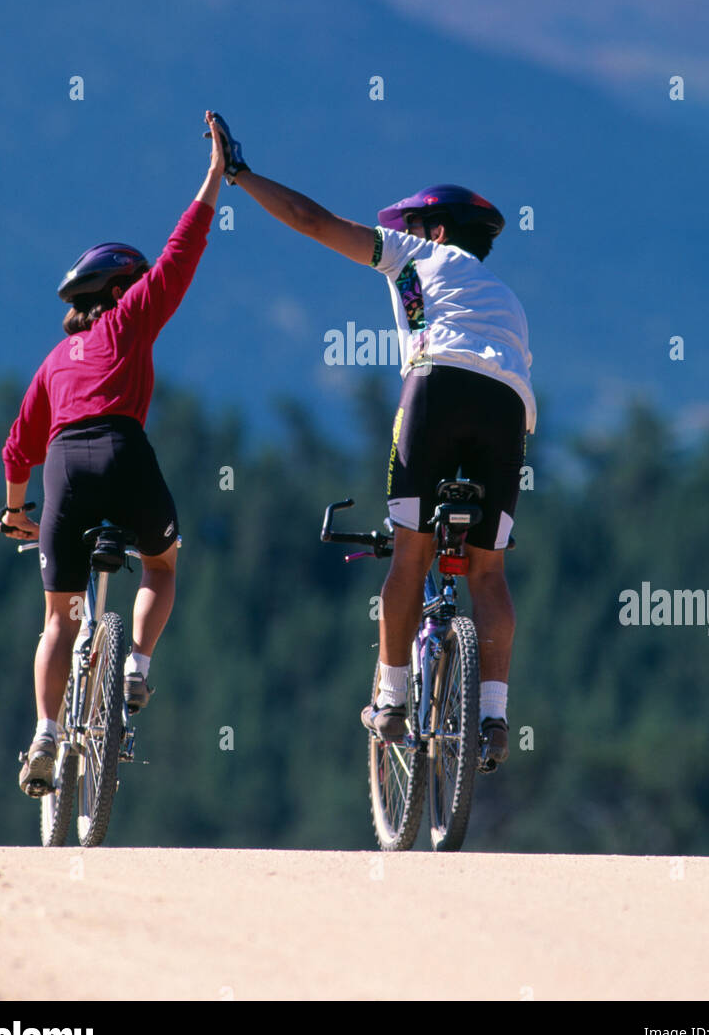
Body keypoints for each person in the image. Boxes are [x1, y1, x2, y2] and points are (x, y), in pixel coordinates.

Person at [212, 117, 536, 768]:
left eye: (412, 225)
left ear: (436, 232)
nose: (403, 234)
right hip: (507, 406)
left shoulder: (415, 256)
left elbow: (310, 219)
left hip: (436, 385)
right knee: (489, 570)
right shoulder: (505, 297)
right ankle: (495, 718)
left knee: (410, 557)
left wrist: (240, 175)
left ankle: (390, 700)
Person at [0, 111, 227, 797]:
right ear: (121, 291)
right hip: (126, 455)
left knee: (58, 619)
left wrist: (17, 514)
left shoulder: (52, 360)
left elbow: (18, 446)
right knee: (160, 564)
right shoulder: (130, 321)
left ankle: (44, 733)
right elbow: (181, 253)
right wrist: (216, 176)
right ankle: (135, 665)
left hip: (65, 467)